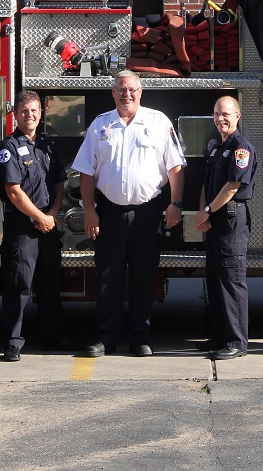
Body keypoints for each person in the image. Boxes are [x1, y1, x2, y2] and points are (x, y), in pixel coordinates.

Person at [74, 70, 186, 357]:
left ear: (141, 91)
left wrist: (175, 203)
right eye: (121, 90)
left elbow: (174, 166)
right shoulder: (101, 125)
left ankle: (139, 337)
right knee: (108, 276)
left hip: (147, 212)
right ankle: (106, 337)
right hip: (109, 213)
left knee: (144, 277)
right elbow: (86, 172)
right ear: (113, 93)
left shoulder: (158, 121)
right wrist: (89, 209)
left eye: (132, 89)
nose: (127, 94)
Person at [0, 91, 69, 361]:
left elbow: (60, 183)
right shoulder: (8, 148)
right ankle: (12, 341)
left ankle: (55, 337)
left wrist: (51, 214)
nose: (30, 115)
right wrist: (39, 216)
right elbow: (13, 191)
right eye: (24, 111)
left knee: (51, 285)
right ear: (15, 114)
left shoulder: (48, 146)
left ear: (41, 113)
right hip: (23, 229)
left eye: (34, 111)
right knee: (19, 285)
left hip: (48, 227)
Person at [195, 96, 258, 360]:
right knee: (215, 282)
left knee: (231, 283)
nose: (221, 118)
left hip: (232, 222)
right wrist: (203, 213)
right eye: (217, 113)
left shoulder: (241, 148)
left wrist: (208, 211)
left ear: (238, 116)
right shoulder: (215, 146)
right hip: (215, 220)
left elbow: (232, 187)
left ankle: (236, 342)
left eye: (227, 114)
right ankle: (220, 338)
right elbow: (206, 184)